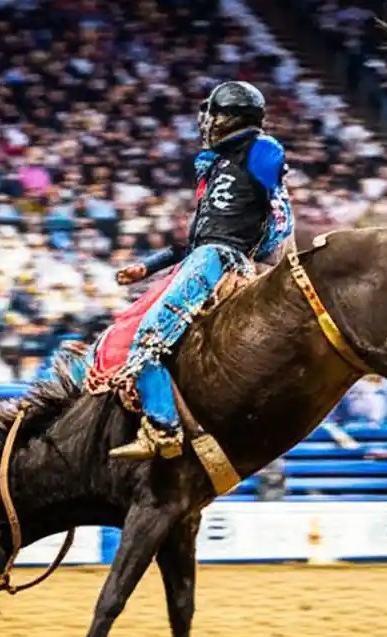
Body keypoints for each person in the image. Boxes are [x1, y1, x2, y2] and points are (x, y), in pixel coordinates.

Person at [109, 81, 294, 459]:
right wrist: (146, 267)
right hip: (203, 258)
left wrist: (270, 254)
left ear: (230, 117)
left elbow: (277, 208)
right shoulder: (213, 167)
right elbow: (195, 241)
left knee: (148, 340)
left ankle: (164, 430)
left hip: (219, 261)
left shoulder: (261, 150)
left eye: (212, 113)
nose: (206, 121)